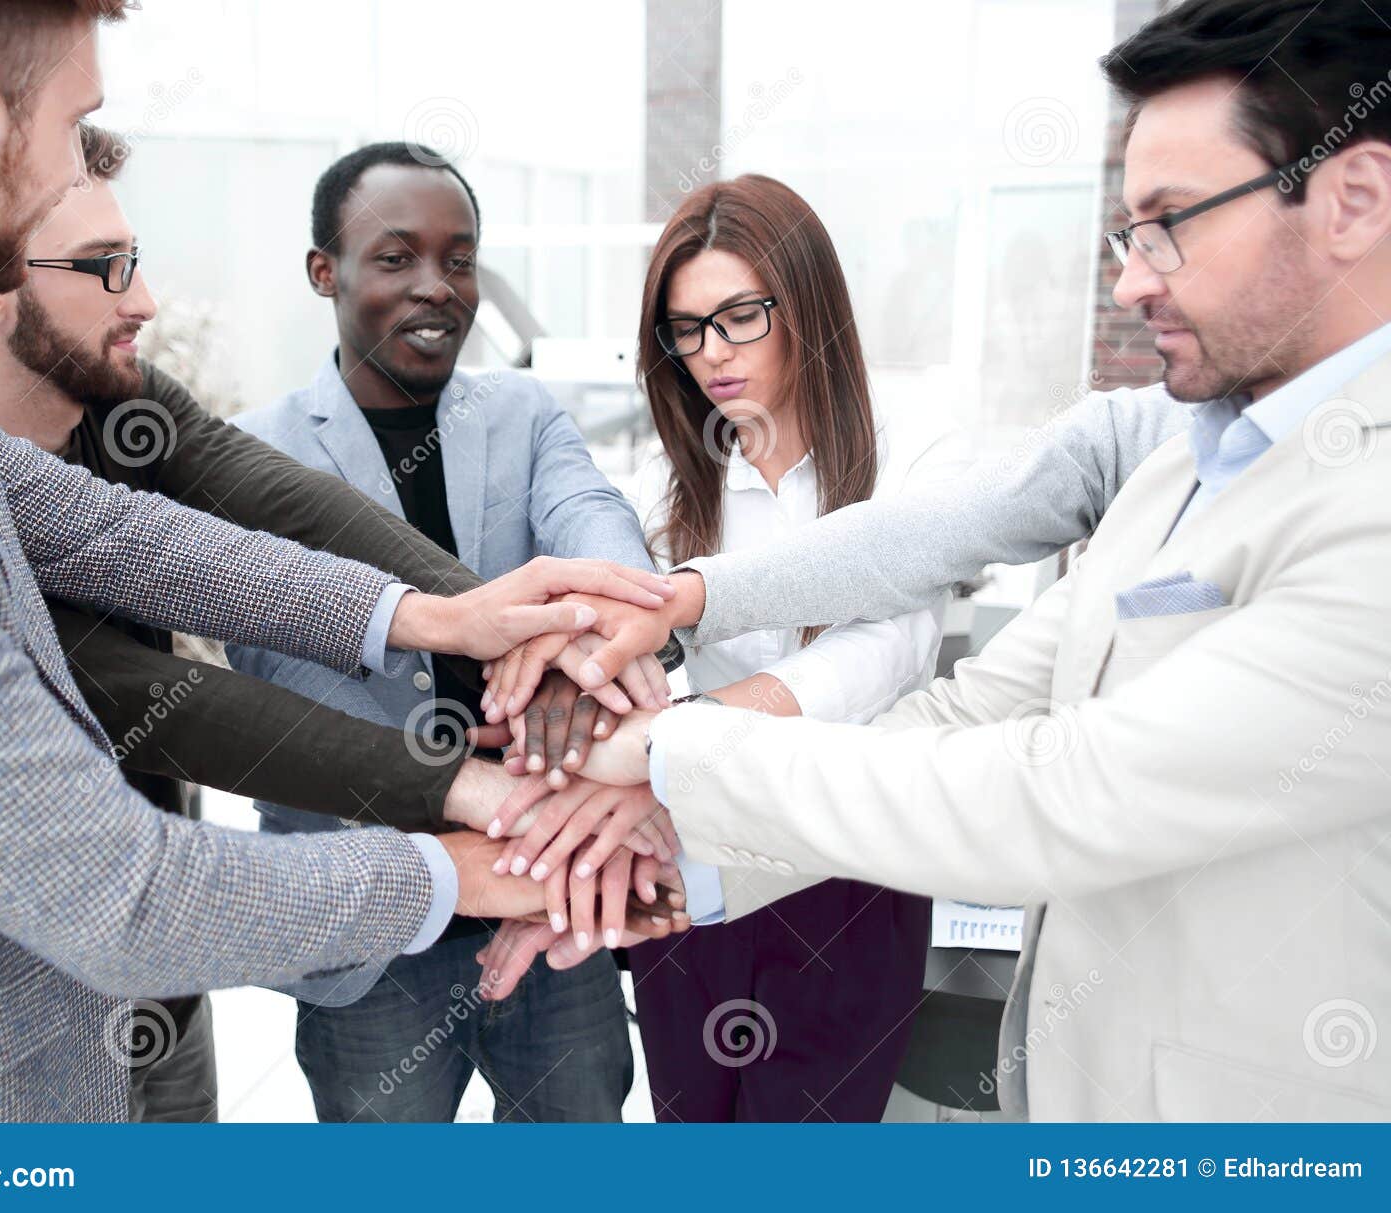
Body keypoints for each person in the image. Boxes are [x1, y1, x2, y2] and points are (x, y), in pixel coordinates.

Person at [491, 0, 1391, 1122]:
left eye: (1171, 223)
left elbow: (1057, 789)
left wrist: (673, 744)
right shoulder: (1182, 462)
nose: (1130, 282)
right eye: (1130, 232)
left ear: (1354, 199)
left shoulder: (1365, 512)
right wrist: (663, 854)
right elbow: (968, 708)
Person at [0, 0, 651, 1123]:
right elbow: (125, 888)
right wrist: (488, 848)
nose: (143, 298)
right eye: (72, 122)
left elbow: (120, 533)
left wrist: (447, 614)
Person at [226, 142, 680, 1123]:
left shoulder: (521, 411)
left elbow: (595, 520)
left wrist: (581, 654)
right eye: (396, 257)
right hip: (373, 926)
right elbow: (266, 655)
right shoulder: (254, 453)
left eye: (460, 259)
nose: (437, 286)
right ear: (324, 272)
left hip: (548, 891)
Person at [616, 173, 969, 1122]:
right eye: (685, 329)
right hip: (696, 854)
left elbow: (885, 649)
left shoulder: (914, 449)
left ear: (807, 303)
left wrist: (689, 729)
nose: (711, 353)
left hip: (848, 866)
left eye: (740, 317)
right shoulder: (667, 482)